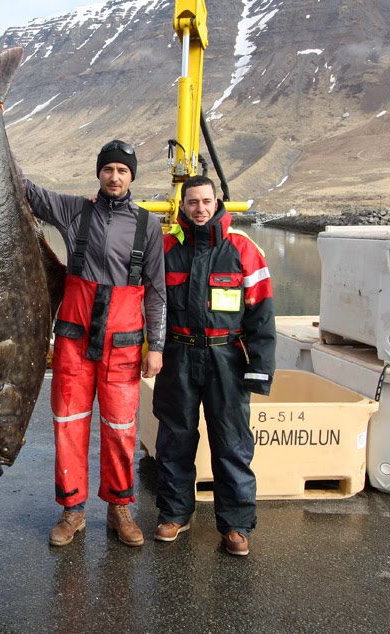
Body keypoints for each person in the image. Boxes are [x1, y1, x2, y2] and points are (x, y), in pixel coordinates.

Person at [23, 140, 167, 547]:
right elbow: (27, 192)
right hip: (73, 339)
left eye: (123, 170)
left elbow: (156, 291)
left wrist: (154, 346)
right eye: (109, 169)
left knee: (121, 429)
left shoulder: (147, 225)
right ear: (99, 173)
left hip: (122, 345)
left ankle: (119, 508)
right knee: (68, 424)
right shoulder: (73, 210)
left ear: (132, 177)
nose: (115, 176)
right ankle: (72, 511)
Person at [152, 174, 276, 556]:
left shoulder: (243, 249)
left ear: (217, 201)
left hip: (227, 360)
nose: (200, 208)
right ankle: (175, 514)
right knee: (175, 439)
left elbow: (262, 315)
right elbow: (150, 306)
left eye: (206, 201)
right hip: (178, 356)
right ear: (183, 205)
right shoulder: (166, 248)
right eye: (192, 202)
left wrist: (259, 369)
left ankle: (236, 525)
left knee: (232, 442)